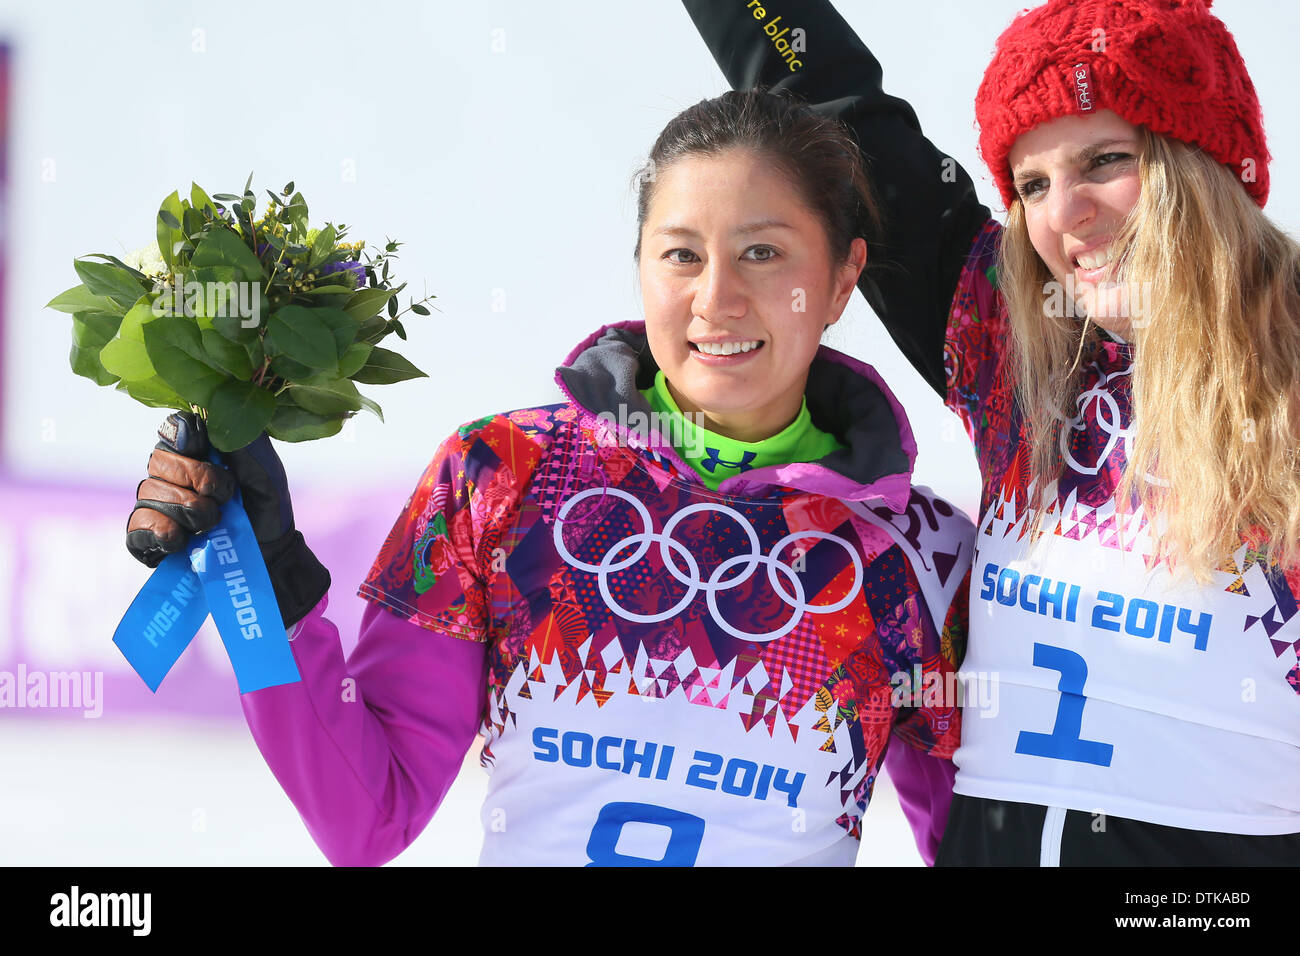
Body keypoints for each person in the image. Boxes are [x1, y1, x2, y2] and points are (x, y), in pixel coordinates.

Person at [124, 89, 976, 866]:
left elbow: (979, 849)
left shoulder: (916, 558)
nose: (717, 298)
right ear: (641, 264)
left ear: (841, 280)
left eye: (762, 252)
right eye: (681, 254)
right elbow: (364, 817)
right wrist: (268, 577)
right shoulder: (504, 476)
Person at [682, 0, 1300, 865]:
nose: (1066, 213)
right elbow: (824, 94)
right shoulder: (1011, 343)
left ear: (1202, 163)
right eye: (1033, 184)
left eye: (1106, 161)